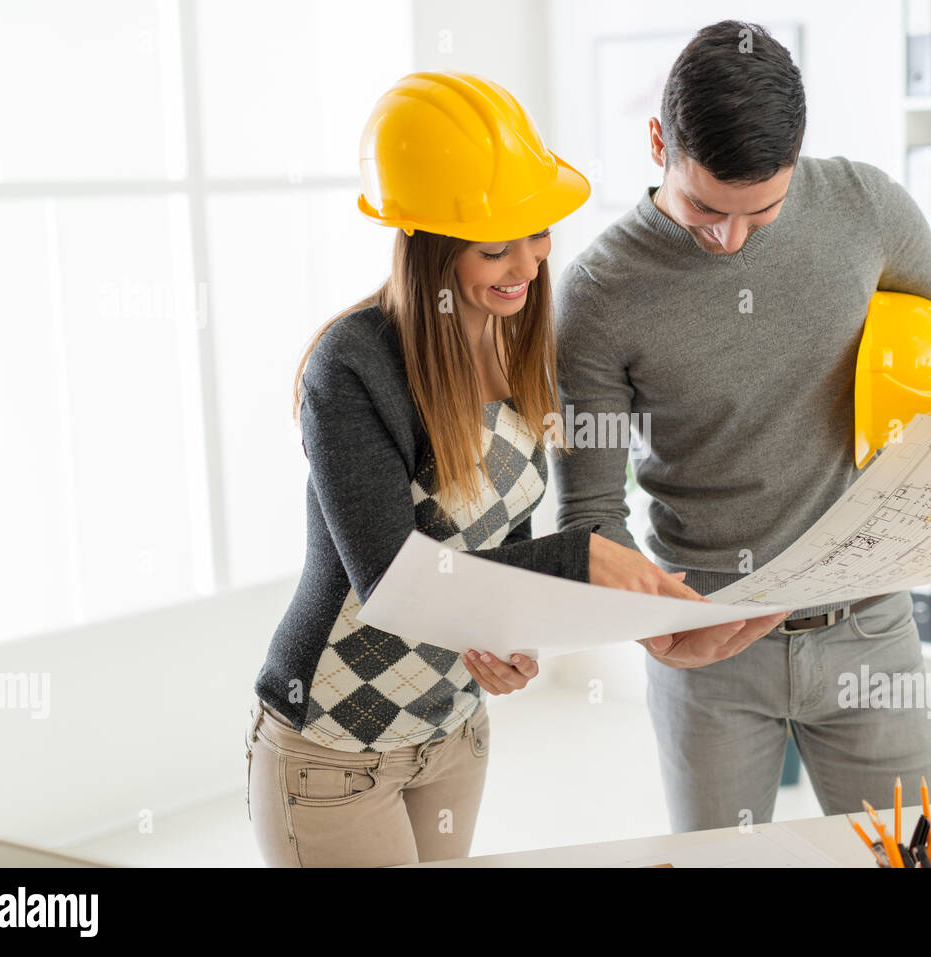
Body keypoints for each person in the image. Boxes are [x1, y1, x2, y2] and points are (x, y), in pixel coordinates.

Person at [552, 21, 931, 834]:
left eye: (759, 212)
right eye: (704, 207)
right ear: (658, 139)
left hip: (870, 627)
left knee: (916, 858)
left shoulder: (862, 208)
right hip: (709, 647)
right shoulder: (599, 293)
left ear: (796, 161)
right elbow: (590, 518)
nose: (728, 240)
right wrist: (651, 624)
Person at [244, 71, 713, 867]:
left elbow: (499, 552)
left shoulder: (525, 341)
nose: (527, 266)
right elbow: (393, 578)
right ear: (427, 247)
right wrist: (584, 558)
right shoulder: (352, 366)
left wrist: (509, 636)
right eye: (495, 247)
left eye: (537, 234)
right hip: (330, 745)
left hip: (451, 731)